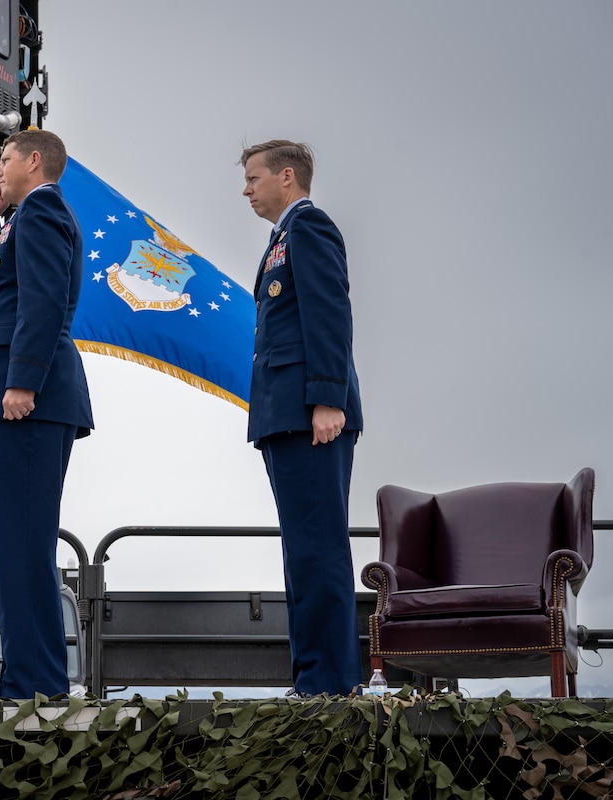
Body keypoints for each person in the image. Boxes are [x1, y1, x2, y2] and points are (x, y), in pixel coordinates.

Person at [0, 129, 94, 698]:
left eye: (5, 159)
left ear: (34, 161)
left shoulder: (43, 211)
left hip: (23, 402)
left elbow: (41, 299)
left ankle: (36, 682)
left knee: (25, 543)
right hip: (7, 398)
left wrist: (21, 381)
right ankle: (29, 675)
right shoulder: (22, 217)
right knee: (14, 542)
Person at [238, 140, 364, 698]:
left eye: (253, 177)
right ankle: (313, 677)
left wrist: (328, 399)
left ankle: (331, 683)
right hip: (284, 414)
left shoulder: (309, 229)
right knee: (301, 550)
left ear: (286, 177)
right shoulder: (281, 240)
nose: (246, 188)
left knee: (319, 548)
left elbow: (329, 313)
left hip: (312, 414)